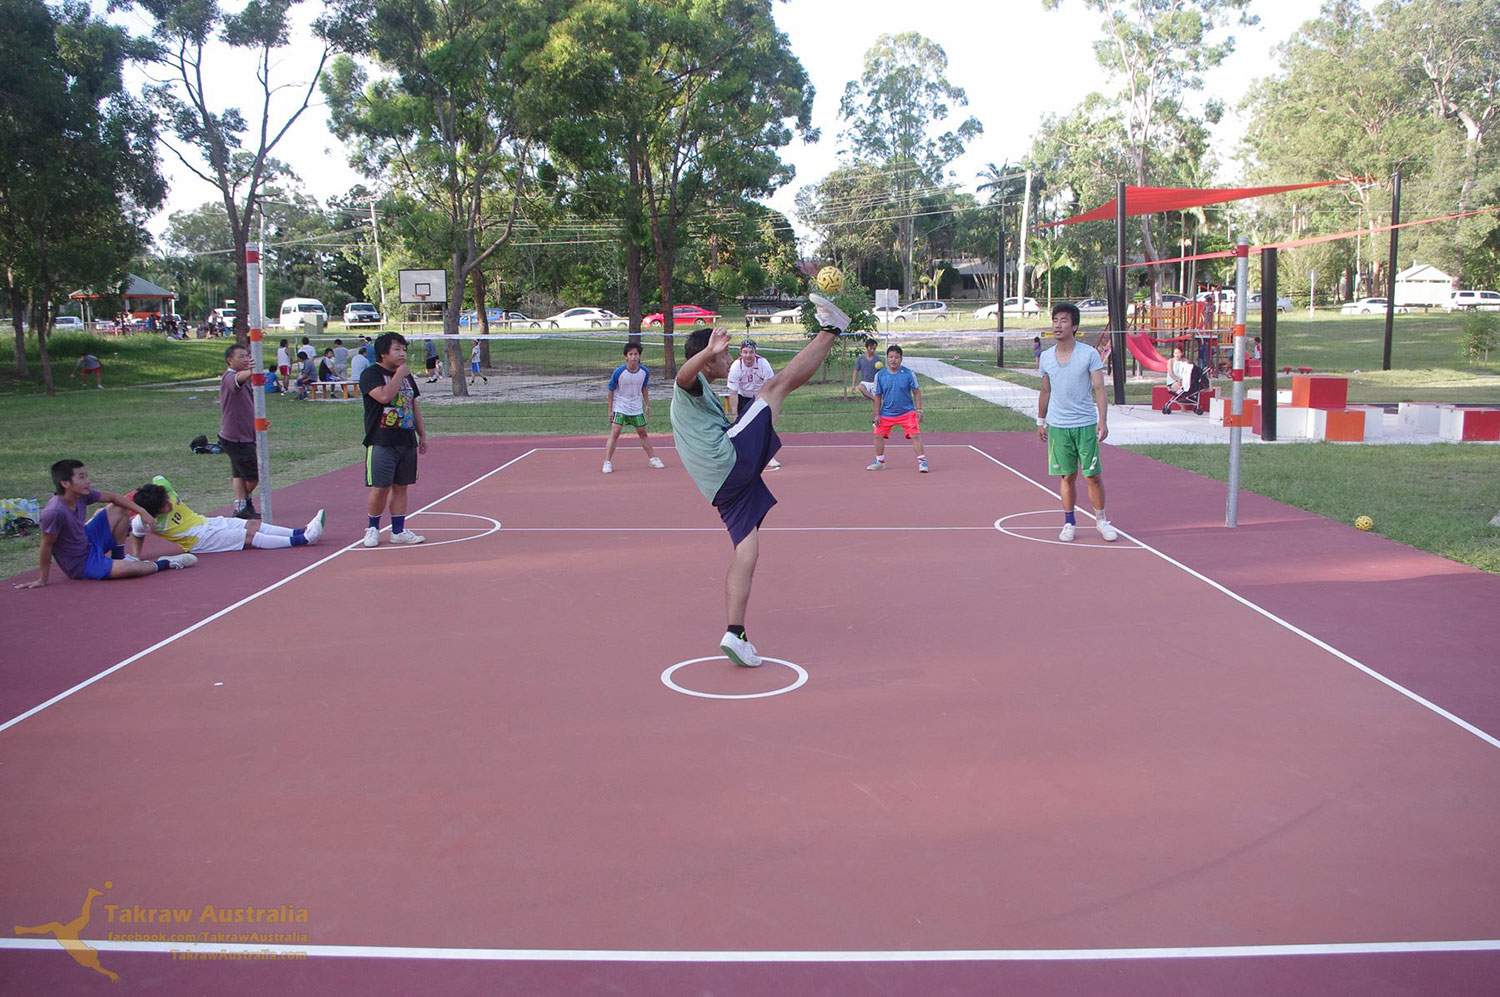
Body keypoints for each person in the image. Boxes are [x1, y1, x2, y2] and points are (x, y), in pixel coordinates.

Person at [669, 295, 847, 669]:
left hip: (720, 488)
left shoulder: (704, 397)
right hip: (727, 463)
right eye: (722, 352)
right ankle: (833, 328)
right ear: (707, 356)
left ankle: (735, 632)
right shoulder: (691, 384)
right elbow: (683, 375)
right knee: (774, 388)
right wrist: (707, 352)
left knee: (747, 547)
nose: (728, 357)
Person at [14, 460, 195, 588]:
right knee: (131, 570)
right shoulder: (54, 512)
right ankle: (166, 563)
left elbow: (115, 497)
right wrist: (42, 579)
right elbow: (46, 545)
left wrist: (143, 511)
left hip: (89, 540)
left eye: (86, 476)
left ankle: (118, 557)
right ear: (65, 483)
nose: (88, 481)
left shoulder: (82, 495)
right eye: (82, 477)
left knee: (118, 507)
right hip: (80, 563)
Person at [1037, 302, 1118, 542]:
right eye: (1055, 320)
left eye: (1063, 320)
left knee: (1092, 475)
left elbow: (1099, 388)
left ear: (1074, 326)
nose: (1057, 325)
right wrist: (1040, 421)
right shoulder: (1045, 357)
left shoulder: (1089, 354)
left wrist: (1102, 420)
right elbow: (1045, 390)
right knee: (1067, 476)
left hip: (1084, 424)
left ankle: (1101, 520)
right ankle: (1069, 522)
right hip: (1058, 426)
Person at [128, 476, 323, 556]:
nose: (169, 504)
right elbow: (137, 534)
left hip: (205, 522)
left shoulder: (163, 488)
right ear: (152, 511)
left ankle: (300, 530)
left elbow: (157, 477)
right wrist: (136, 556)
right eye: (164, 506)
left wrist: (132, 497)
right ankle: (304, 540)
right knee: (249, 538)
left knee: (251, 524)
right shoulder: (144, 522)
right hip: (199, 540)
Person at [359, 332, 428, 547]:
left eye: (404, 349)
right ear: (383, 352)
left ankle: (398, 531)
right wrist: (399, 375)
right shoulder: (371, 374)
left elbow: (413, 404)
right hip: (381, 440)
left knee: (401, 486)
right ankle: (372, 528)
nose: (402, 353)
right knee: (380, 487)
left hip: (406, 439)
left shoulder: (406, 376)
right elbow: (384, 396)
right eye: (397, 349)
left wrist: (422, 434)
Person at [603, 342, 664, 473]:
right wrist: (610, 411)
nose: (633, 357)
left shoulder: (644, 372)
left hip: (636, 406)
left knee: (642, 432)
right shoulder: (619, 372)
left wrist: (647, 404)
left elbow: (644, 387)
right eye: (631, 354)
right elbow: (610, 390)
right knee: (616, 431)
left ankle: (653, 459)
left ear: (639, 356)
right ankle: (607, 462)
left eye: (636, 354)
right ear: (626, 356)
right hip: (620, 406)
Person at [866, 344, 928, 473]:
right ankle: (880, 462)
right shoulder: (880, 375)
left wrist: (919, 410)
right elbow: (877, 396)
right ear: (887, 358)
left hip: (907, 412)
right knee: (878, 435)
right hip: (886, 413)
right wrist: (876, 414)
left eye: (897, 357)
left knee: (915, 435)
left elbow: (916, 392)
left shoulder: (908, 374)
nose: (893, 360)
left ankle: (922, 462)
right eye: (891, 357)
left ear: (901, 359)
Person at [219, 344, 260, 519]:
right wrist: (252, 371)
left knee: (238, 473)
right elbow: (239, 379)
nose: (245, 359)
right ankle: (242, 504)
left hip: (243, 435)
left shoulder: (243, 381)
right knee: (253, 476)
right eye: (241, 356)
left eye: (247, 356)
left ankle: (243, 505)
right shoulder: (229, 378)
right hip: (235, 437)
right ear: (230, 360)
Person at [727, 339, 781, 470]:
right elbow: (732, 392)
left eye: (751, 352)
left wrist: (770, 406)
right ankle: (740, 456)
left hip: (760, 396)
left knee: (764, 426)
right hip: (743, 396)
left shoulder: (763, 364)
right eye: (745, 352)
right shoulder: (736, 366)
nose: (748, 356)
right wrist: (735, 413)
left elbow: (771, 386)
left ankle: (768, 456)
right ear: (740, 353)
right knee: (740, 427)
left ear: (755, 353)